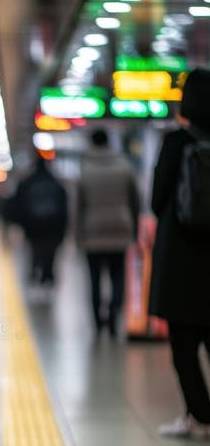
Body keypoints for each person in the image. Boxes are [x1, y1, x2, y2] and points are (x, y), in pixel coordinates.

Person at [150, 68, 210, 438]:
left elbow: (157, 200)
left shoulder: (176, 142)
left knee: (183, 346)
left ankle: (200, 416)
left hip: (182, 257)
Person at [76, 129, 140, 335]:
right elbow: (136, 202)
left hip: (92, 230)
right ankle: (113, 315)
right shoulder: (124, 166)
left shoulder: (85, 170)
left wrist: (77, 236)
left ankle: (97, 323)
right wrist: (135, 230)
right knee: (118, 276)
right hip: (120, 228)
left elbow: (78, 207)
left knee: (94, 279)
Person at [13, 154, 68, 287]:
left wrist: (20, 223)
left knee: (34, 249)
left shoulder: (26, 183)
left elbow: (18, 205)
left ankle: (35, 269)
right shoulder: (56, 183)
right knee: (50, 250)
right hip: (53, 225)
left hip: (33, 226)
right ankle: (47, 274)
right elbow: (63, 207)